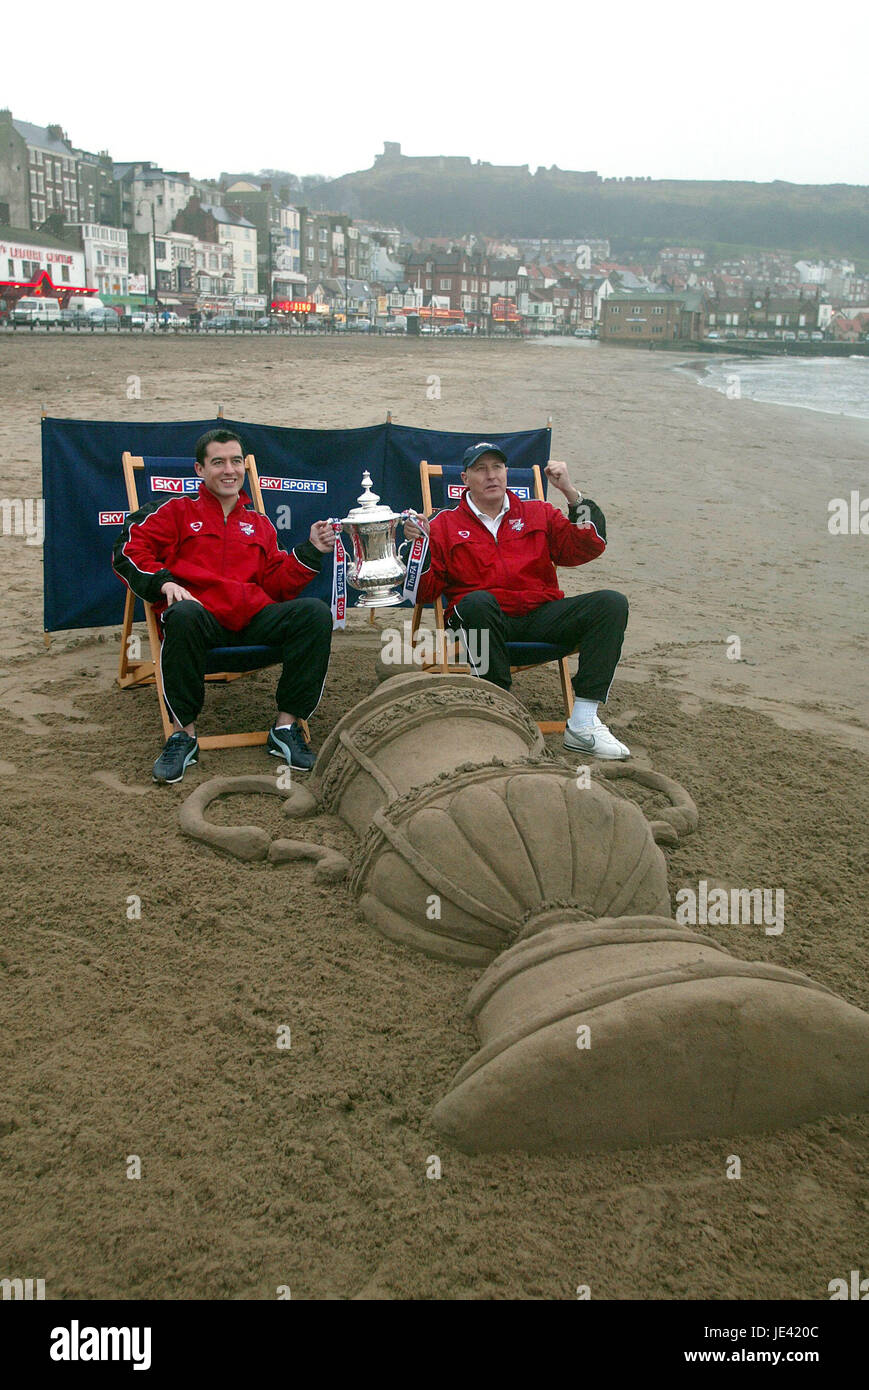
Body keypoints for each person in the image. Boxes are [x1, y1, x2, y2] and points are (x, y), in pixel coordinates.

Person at [113, 428, 337, 783]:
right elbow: (128, 549)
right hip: (199, 619)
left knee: (312, 613)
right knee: (182, 613)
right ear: (200, 470)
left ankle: (285, 728)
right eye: (218, 462)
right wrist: (164, 582)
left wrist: (311, 550)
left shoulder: (259, 523)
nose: (228, 470)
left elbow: (276, 585)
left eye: (236, 461)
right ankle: (182, 735)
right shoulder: (175, 512)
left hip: (251, 618)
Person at [403, 442, 630, 759]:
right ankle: (499, 712)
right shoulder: (443, 525)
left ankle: (583, 723)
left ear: (506, 473)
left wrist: (570, 492)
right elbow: (423, 593)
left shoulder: (538, 513)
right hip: (481, 623)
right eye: (481, 469)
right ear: (465, 478)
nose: (491, 475)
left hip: (540, 616)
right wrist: (420, 549)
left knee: (611, 603)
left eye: (497, 467)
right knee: (476, 603)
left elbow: (589, 546)